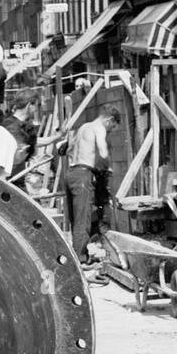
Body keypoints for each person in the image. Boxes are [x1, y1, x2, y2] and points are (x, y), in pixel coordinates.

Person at [66, 99, 120, 261]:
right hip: (83, 175)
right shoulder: (99, 128)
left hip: (71, 174)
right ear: (109, 120)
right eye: (112, 127)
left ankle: (80, 254)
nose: (110, 131)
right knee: (83, 220)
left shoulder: (83, 127)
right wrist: (107, 169)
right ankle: (80, 260)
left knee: (76, 219)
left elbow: (68, 149)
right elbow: (103, 153)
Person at [1, 89, 41, 177]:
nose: (36, 110)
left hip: (19, 177)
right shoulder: (10, 127)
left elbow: (36, 142)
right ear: (29, 105)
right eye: (37, 106)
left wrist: (57, 136)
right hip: (10, 179)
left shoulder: (22, 125)